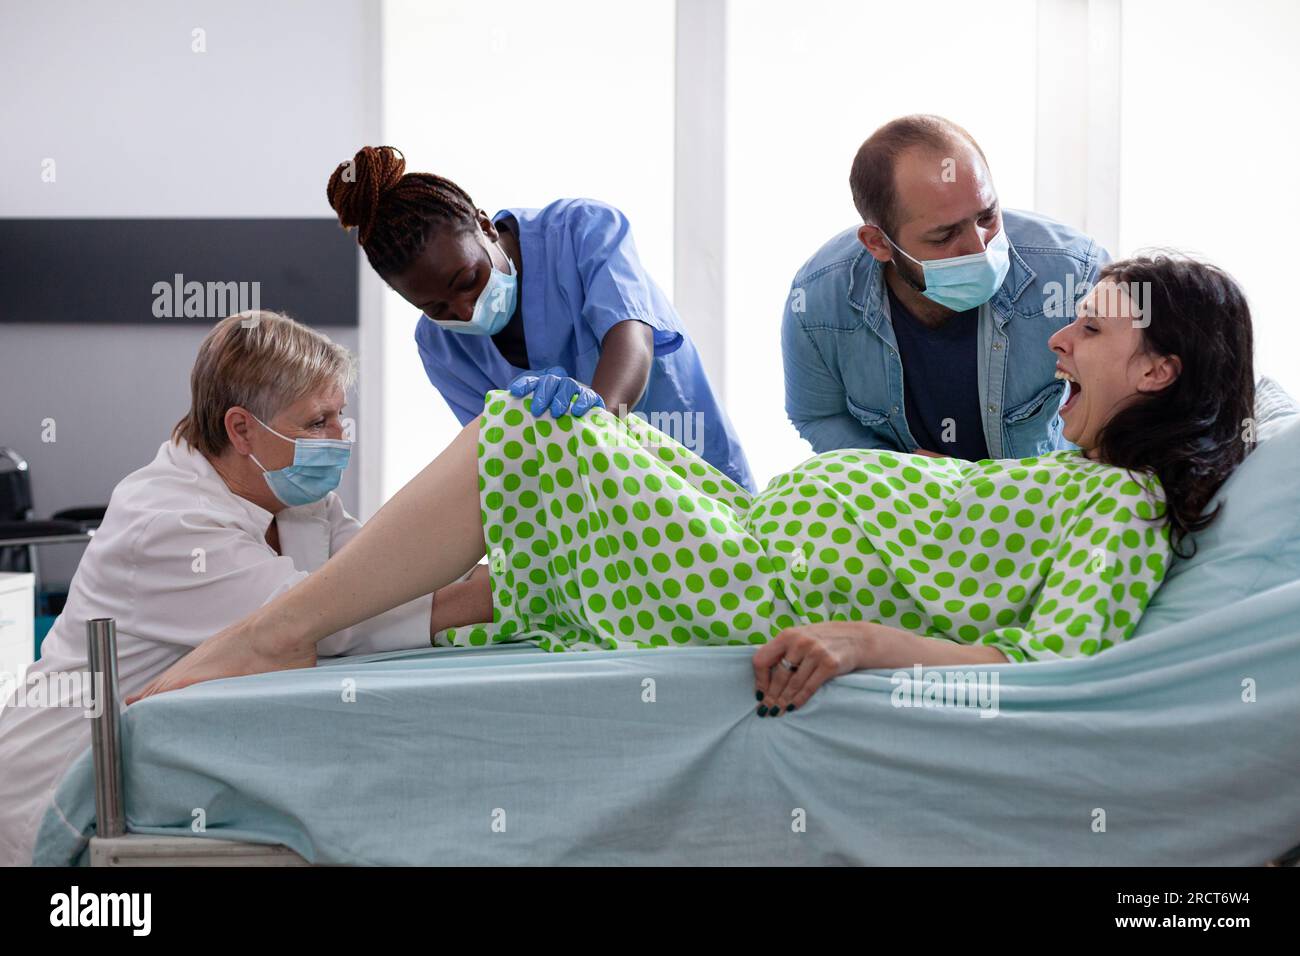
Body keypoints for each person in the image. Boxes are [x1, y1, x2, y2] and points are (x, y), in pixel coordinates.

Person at [131, 256, 1254, 729]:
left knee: (526, 429)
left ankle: (279, 632)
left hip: (759, 582)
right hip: (750, 534)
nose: (1058, 338)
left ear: (1159, 372)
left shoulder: (1124, 507)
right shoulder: (1077, 473)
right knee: (553, 437)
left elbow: (1048, 673)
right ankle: (293, 630)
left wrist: (864, 642)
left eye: (1091, 331)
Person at [0, 311, 455, 867]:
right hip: (60, 784)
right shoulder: (169, 522)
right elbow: (324, 623)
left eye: (341, 415)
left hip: (160, 763)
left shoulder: (296, 495)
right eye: (318, 422)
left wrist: (481, 565)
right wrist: (491, 596)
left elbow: (381, 571)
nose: (341, 437)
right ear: (241, 429)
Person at [326, 146, 754, 492]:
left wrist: (597, 427)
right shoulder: (441, 346)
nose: (464, 310)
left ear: (485, 227)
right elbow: (504, 454)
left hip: (694, 475)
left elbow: (631, 339)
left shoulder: (582, 231)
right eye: (436, 308)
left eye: (469, 280)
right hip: (587, 510)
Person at [783, 114, 1110, 460]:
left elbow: (1131, 404)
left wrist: (1014, 484)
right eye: (944, 236)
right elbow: (819, 415)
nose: (979, 247)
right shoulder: (817, 300)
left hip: (1045, 489)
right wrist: (900, 471)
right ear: (878, 243)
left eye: (987, 217)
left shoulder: (1076, 273)